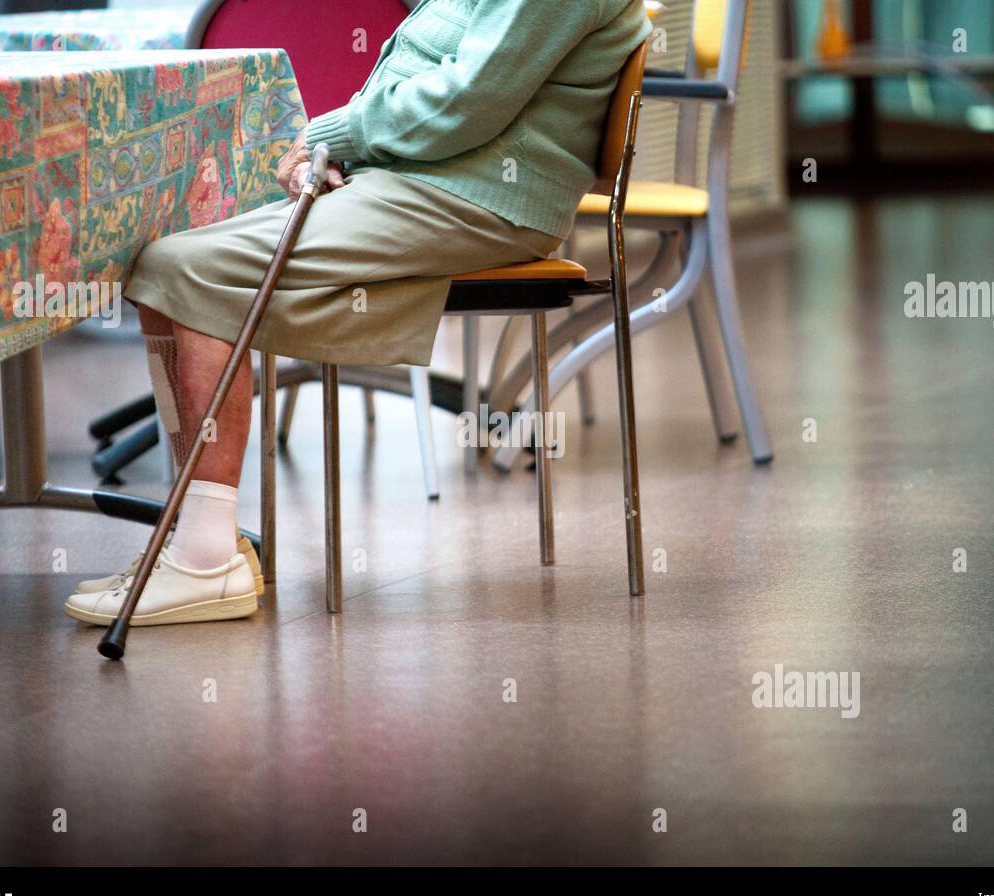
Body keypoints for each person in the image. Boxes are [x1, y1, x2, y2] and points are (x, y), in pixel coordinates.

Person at [64, 0, 652, 627]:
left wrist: (333, 135)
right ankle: (195, 537)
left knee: (181, 268)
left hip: (476, 197)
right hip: (437, 178)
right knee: (164, 261)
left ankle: (206, 560)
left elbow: (467, 103)